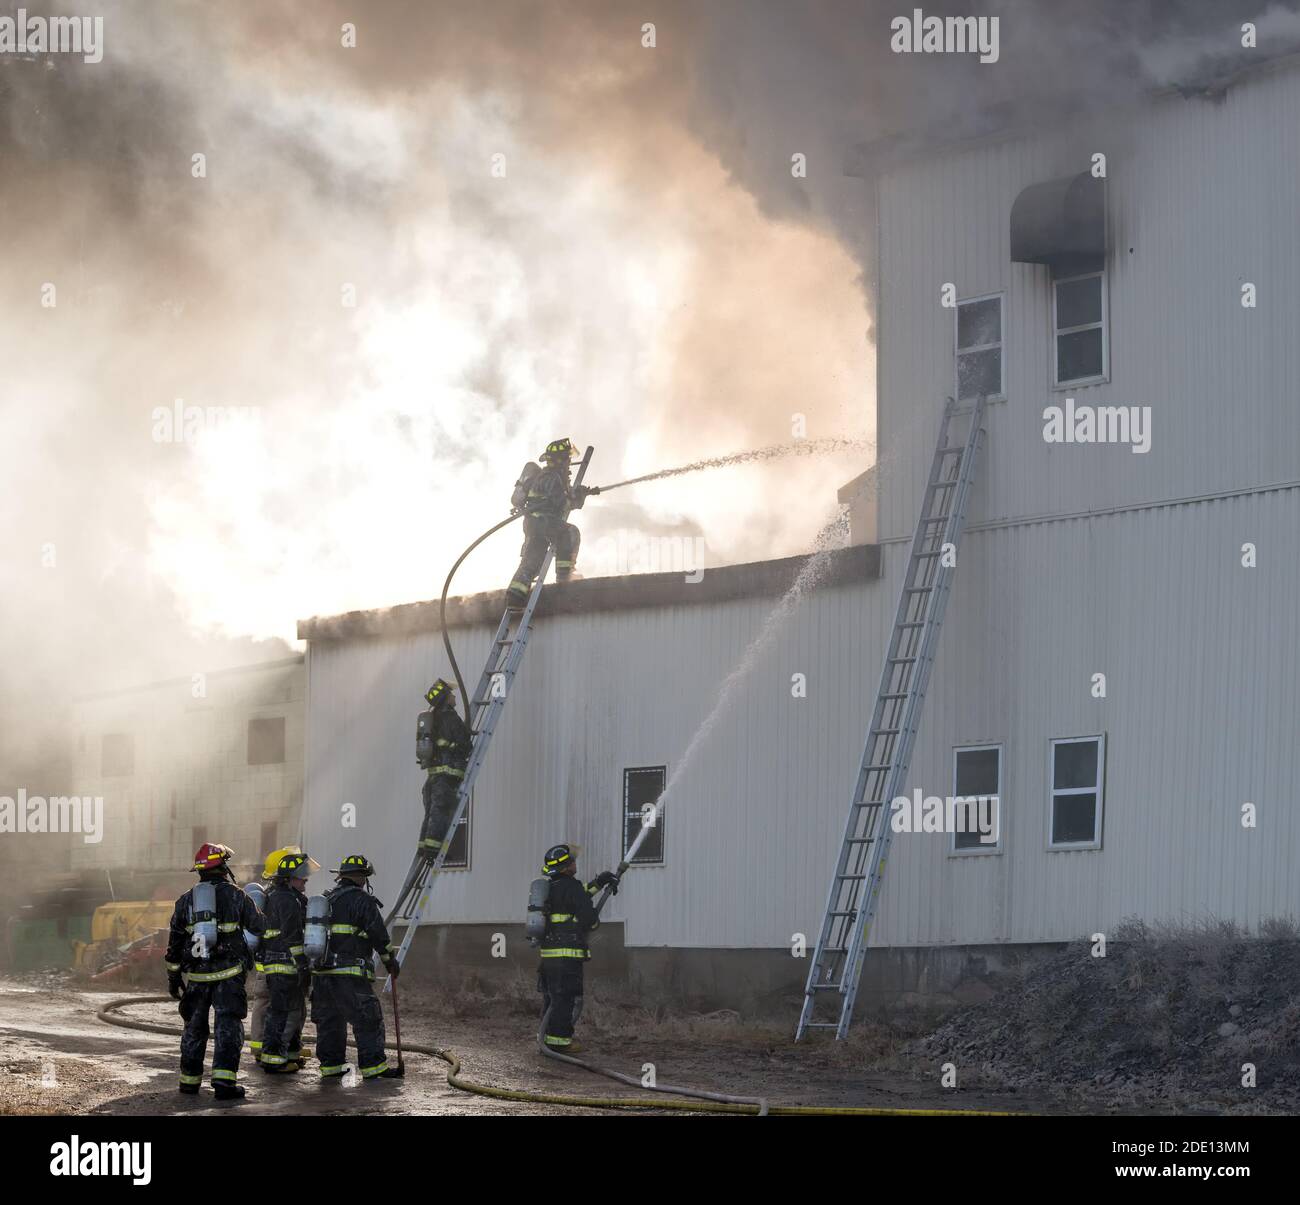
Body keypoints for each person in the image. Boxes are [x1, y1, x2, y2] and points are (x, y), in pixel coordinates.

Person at [164, 842, 264, 1100]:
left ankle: (189, 1082)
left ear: (199, 871)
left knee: (194, 1028)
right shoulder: (237, 896)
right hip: (229, 976)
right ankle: (224, 1083)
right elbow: (259, 926)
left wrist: (174, 977)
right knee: (227, 1026)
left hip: (196, 977)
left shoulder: (185, 900)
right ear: (223, 867)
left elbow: (174, 944)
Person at [311, 854, 403, 1081]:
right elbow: (378, 935)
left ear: (341, 876)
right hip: (350, 975)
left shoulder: (326, 900)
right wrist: (390, 961)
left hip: (322, 975)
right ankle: (374, 1067)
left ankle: (332, 1066)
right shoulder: (362, 900)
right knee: (367, 1019)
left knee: (331, 1020)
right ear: (362, 877)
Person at [535, 843, 619, 1054]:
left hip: (548, 957)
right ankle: (559, 1042)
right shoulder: (571, 887)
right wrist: (591, 920)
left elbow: (580, 894)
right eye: (572, 861)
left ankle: (546, 1038)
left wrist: (599, 883)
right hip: (567, 957)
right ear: (565, 867)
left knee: (552, 999)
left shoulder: (552, 888)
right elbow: (589, 919)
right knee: (565, 999)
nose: (575, 863)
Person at [506, 438, 596, 605]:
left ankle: (514, 599)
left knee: (532, 562)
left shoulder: (546, 476)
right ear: (560, 459)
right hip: (545, 522)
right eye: (567, 458)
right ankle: (564, 575)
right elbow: (562, 503)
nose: (569, 462)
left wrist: (579, 493)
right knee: (570, 533)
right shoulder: (552, 477)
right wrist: (578, 496)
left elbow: (561, 498)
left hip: (533, 524)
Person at [248, 845, 314, 1066]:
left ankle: (287, 1052)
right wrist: (302, 965)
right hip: (284, 965)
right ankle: (273, 1057)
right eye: (301, 876)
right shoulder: (286, 900)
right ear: (288, 878)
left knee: (289, 1011)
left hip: (276, 964)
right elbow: (292, 936)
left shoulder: (280, 896)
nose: (305, 880)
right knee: (282, 1012)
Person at [416, 678, 473, 862]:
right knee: (440, 813)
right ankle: (433, 851)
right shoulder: (450, 717)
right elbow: (465, 745)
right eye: (451, 694)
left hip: (433, 776)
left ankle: (423, 849)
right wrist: (464, 743)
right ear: (446, 698)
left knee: (430, 814)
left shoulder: (433, 718)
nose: (454, 697)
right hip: (448, 774)